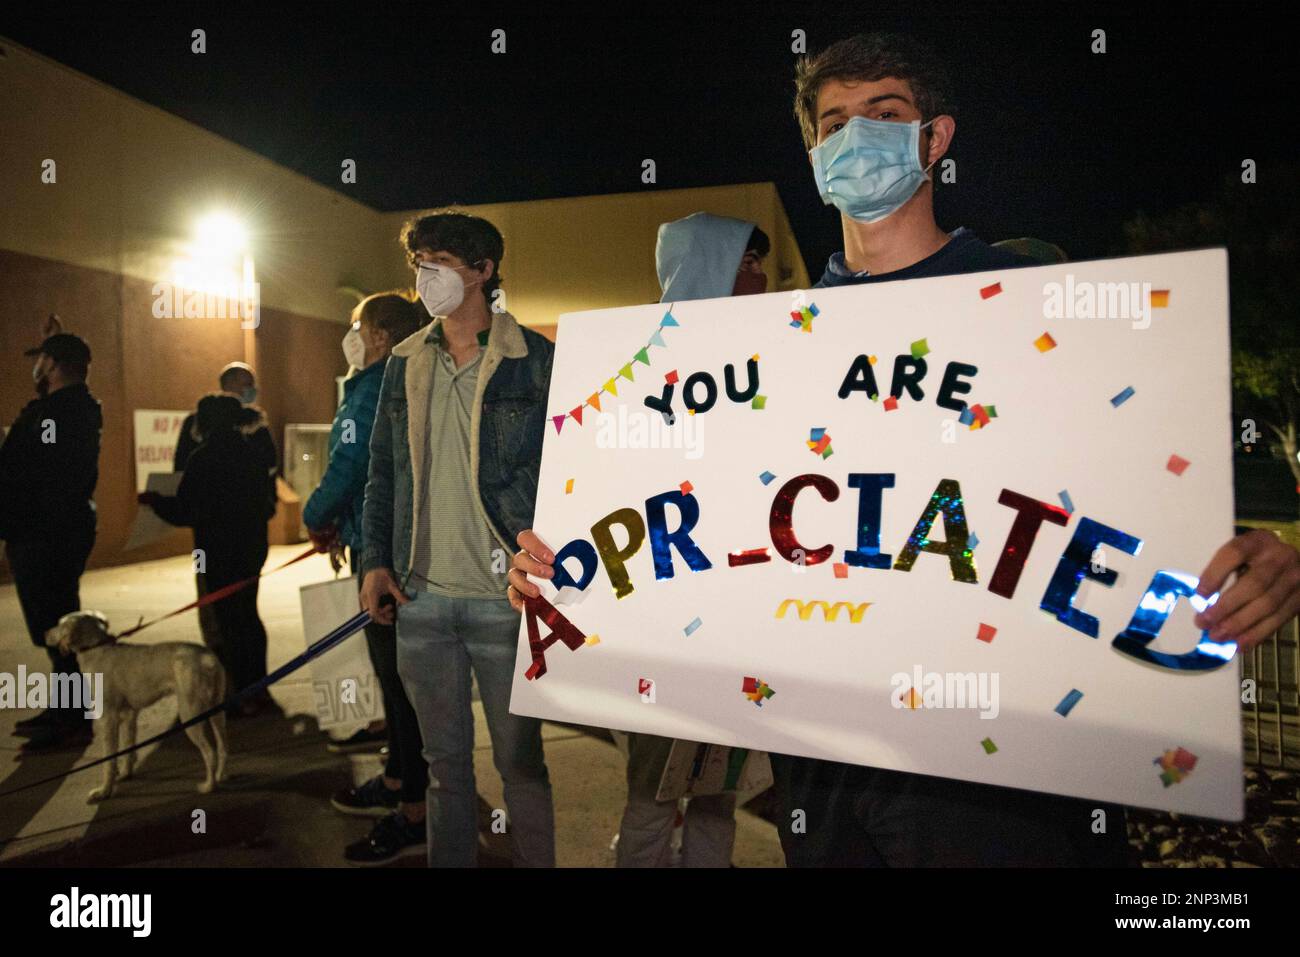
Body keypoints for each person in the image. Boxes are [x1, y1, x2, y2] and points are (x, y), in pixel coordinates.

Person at [510, 30, 1300, 867]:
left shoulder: (1042, 312)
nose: (855, 138)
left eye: (883, 115)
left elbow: (1142, 506)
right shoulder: (759, 345)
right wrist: (570, 575)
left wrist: (1260, 561)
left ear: (936, 138)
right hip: (820, 758)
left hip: (999, 776)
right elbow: (687, 526)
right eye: (833, 122)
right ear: (811, 152)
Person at [360, 211, 556, 867]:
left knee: (521, 765)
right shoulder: (403, 365)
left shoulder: (536, 362)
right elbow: (382, 472)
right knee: (444, 767)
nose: (426, 274)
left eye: (440, 259)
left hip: (507, 603)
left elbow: (567, 474)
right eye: (419, 260)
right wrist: (375, 562)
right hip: (422, 603)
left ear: (482, 270)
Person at [613, 213, 771, 868]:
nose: (760, 277)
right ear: (711, 265)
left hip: (739, 612)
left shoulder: (769, 358)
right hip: (662, 613)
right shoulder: (633, 369)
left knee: (719, 781)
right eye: (747, 262)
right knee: (656, 780)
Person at [302, 291, 431, 865]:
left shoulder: (374, 386)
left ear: (379, 335)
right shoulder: (406, 376)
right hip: (391, 542)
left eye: (357, 326)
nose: (351, 335)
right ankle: (401, 780)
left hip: (384, 552)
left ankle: (415, 810)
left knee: (400, 679)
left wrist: (316, 515)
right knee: (396, 677)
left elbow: (350, 466)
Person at [141, 393, 275, 716]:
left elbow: (187, 509)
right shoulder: (253, 454)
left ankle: (235, 694)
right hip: (252, 551)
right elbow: (268, 506)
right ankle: (257, 690)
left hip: (214, 553)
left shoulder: (203, 458)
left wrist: (155, 502)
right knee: (249, 618)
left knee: (226, 623)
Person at [1, 327, 102, 752]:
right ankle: (65, 709)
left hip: (45, 534)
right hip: (47, 530)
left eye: (40, 359)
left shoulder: (59, 414)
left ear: (55, 365)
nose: (35, 367)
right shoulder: (65, 410)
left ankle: (72, 718)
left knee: (56, 625)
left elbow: (40, 468)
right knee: (53, 625)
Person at [174, 361, 277, 685]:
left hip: (218, 540)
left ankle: (235, 684)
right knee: (231, 613)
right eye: (246, 383)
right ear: (229, 384)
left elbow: (183, 499)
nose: (251, 390)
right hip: (246, 539)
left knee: (230, 612)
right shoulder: (208, 430)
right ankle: (242, 683)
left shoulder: (252, 432)